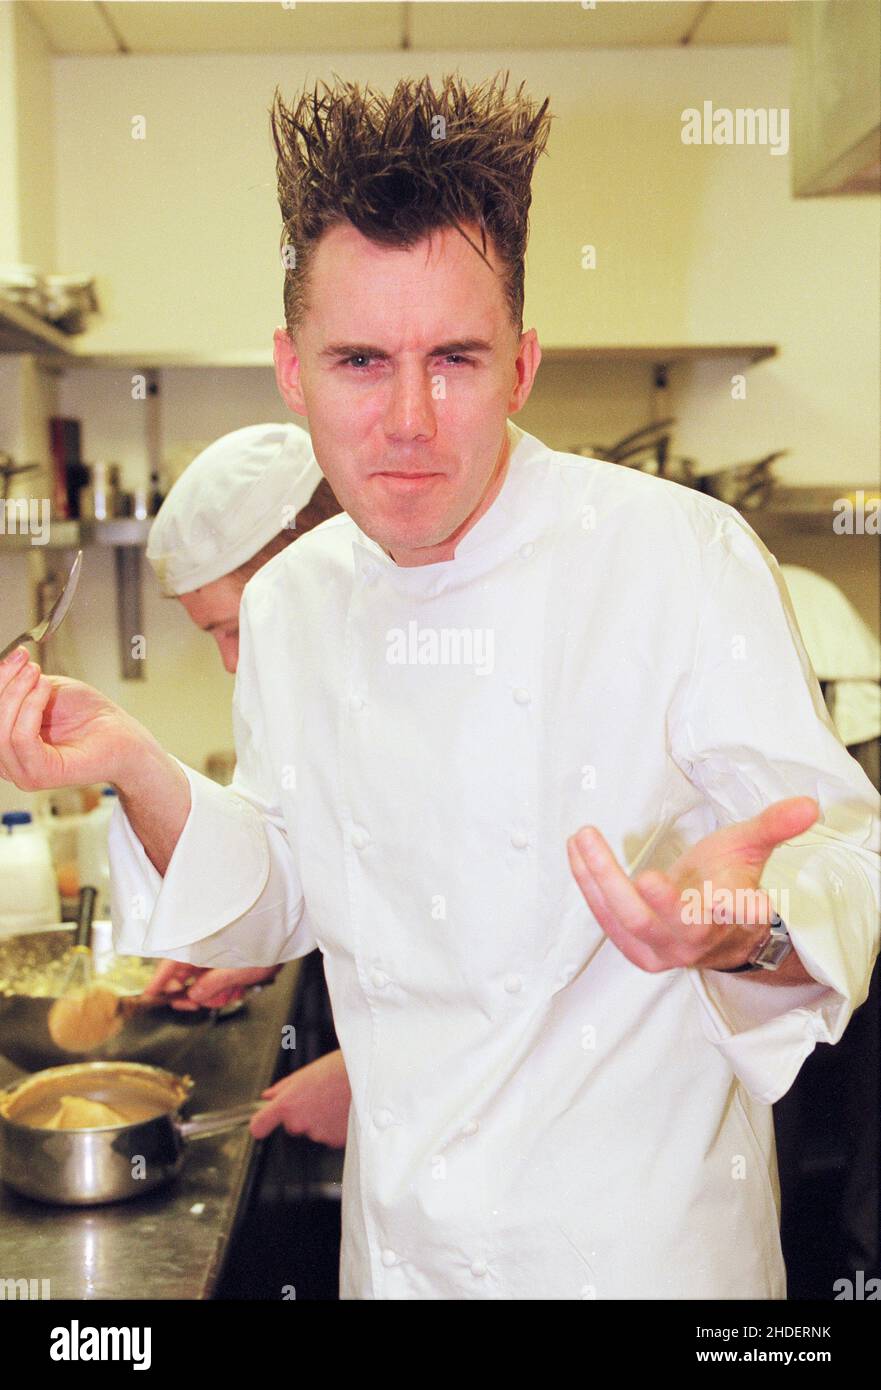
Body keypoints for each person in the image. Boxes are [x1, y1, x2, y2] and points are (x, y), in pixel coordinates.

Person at [0, 71, 878, 1301]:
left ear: (519, 365)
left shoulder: (678, 557)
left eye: (453, 358)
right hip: (401, 1254)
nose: (408, 420)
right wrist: (136, 766)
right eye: (359, 359)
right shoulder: (295, 599)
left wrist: (739, 928)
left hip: (637, 1262)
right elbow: (283, 888)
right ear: (290, 370)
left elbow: (842, 866)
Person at [143, 421, 352, 1149]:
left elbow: (526, 948)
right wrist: (255, 940)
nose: (232, 661)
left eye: (235, 629)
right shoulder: (302, 685)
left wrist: (364, 1082)